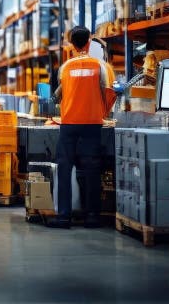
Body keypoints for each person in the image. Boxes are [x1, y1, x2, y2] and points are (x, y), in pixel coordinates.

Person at [49, 26, 119, 229]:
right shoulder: (101, 67)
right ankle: (92, 217)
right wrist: (102, 113)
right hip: (92, 126)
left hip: (69, 125)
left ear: (71, 44)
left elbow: (57, 97)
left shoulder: (65, 68)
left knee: (64, 169)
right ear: (89, 42)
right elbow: (109, 93)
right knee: (91, 170)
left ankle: (63, 217)